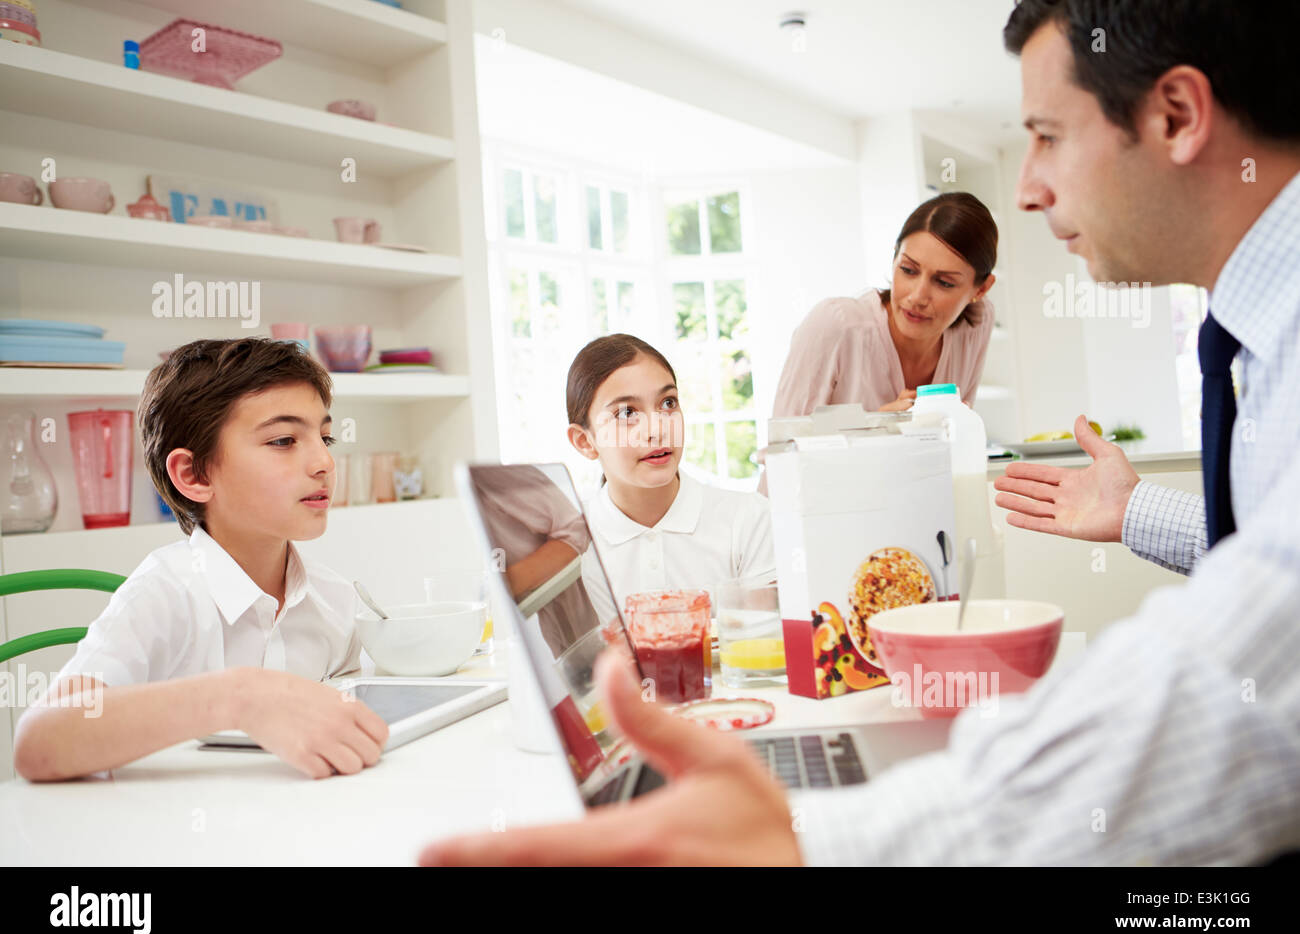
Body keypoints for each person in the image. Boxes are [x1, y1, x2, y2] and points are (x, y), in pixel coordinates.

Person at [419, 0, 1300, 865]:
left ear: (1177, 115)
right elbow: (1267, 569)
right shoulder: (1262, 337)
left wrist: (808, 844)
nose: (1029, 187)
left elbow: (1225, 691)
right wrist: (1143, 512)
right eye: (908, 270)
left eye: (1047, 134)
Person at [13, 338, 388, 782]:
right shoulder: (165, 591)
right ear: (193, 475)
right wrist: (238, 696)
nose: (324, 461)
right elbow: (38, 743)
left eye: (325, 437)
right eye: (284, 440)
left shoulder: (335, 599)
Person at [565, 334, 775, 624]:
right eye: (627, 412)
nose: (657, 429)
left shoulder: (750, 519)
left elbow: (765, 651)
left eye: (668, 403)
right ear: (585, 441)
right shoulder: (570, 548)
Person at [772, 191, 998, 418]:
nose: (917, 297)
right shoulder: (835, 326)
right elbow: (783, 447)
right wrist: (877, 429)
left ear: (981, 289)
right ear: (894, 258)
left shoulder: (976, 323)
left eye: (944, 283)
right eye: (908, 270)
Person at [471, 463, 599, 657]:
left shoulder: (490, 476)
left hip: (576, 622)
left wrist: (506, 585)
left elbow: (575, 528)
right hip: (539, 634)